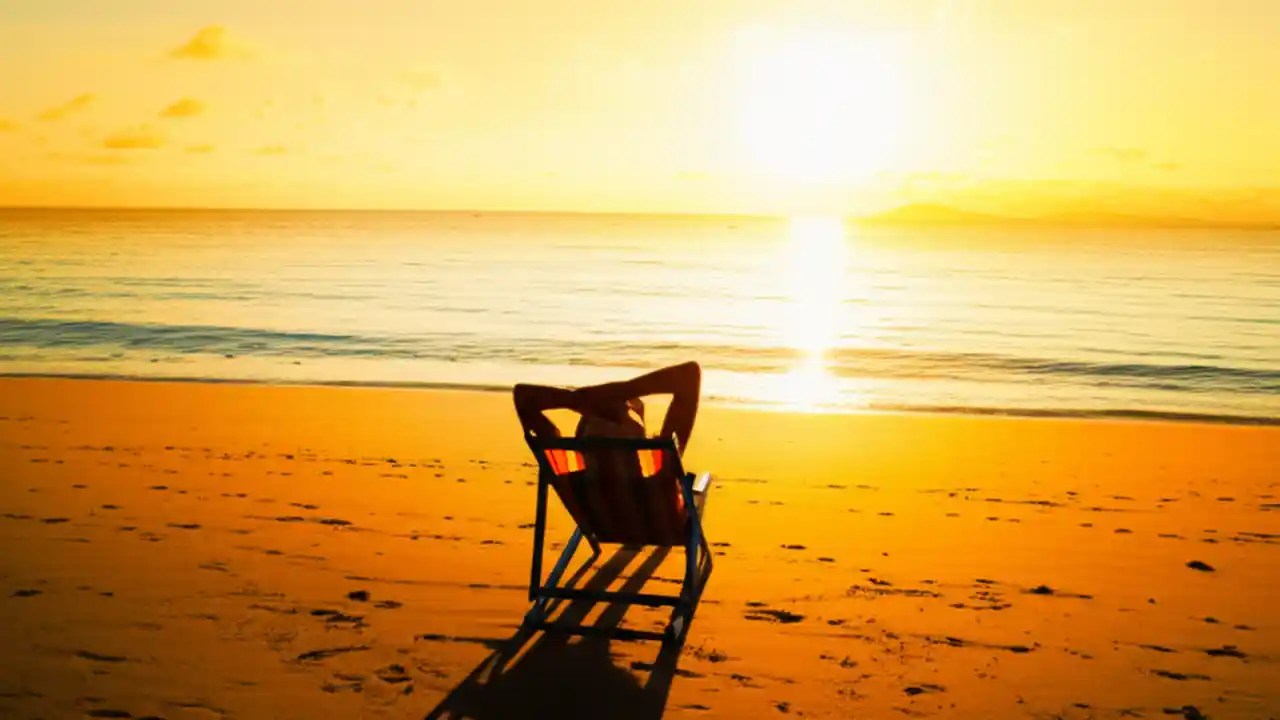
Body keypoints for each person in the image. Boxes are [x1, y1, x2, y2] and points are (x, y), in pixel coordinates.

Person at [513, 361, 701, 453]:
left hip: (595, 522)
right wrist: (624, 390)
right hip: (658, 526)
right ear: (638, 435)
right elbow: (690, 373)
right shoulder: (662, 471)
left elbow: (522, 395)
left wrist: (576, 399)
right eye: (628, 410)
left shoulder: (573, 479)